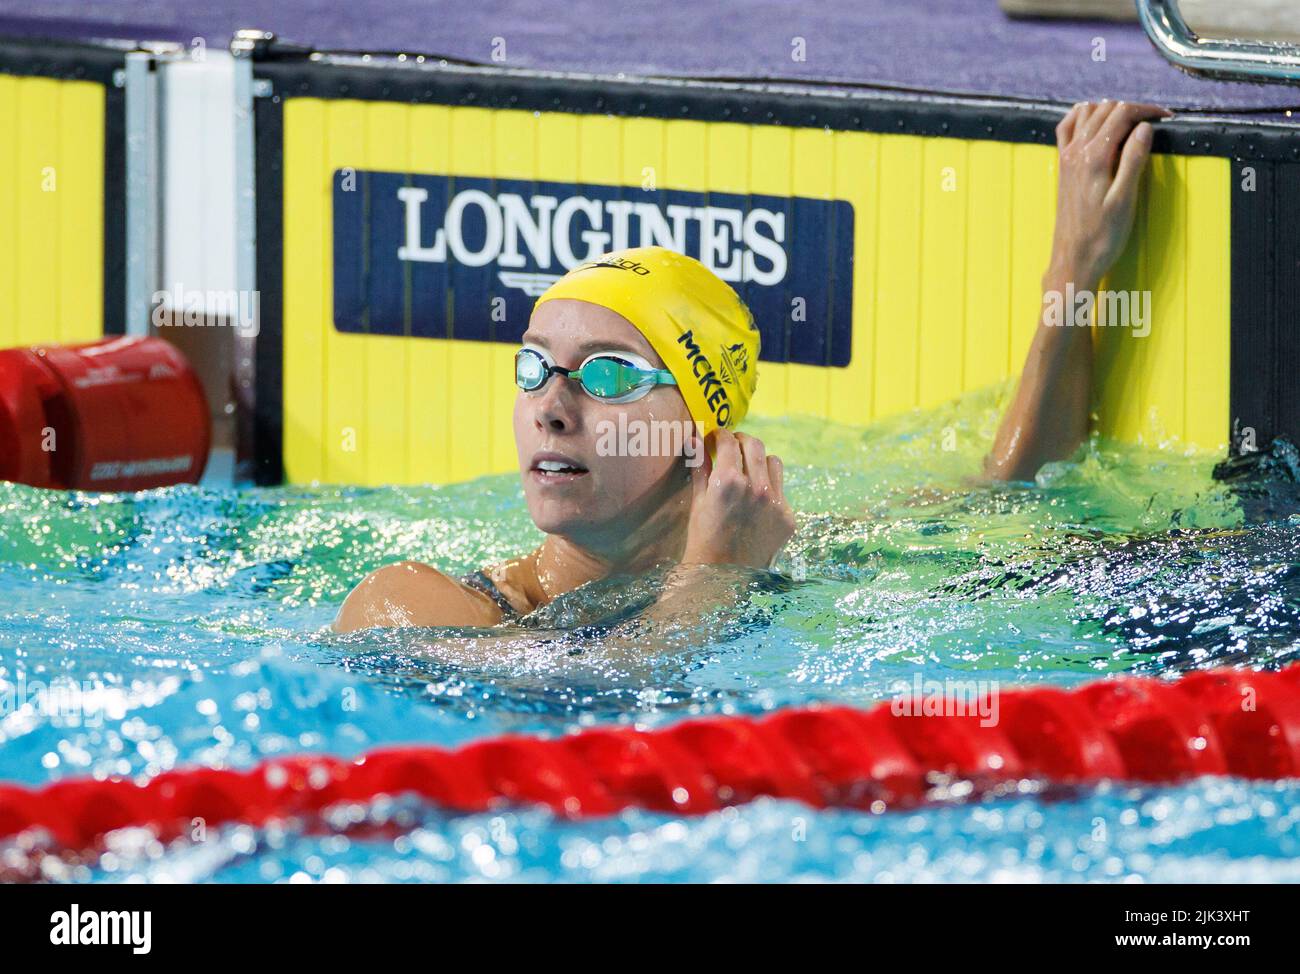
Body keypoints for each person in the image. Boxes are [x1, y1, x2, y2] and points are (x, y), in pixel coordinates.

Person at [333, 99, 1171, 634]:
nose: (553, 405)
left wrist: (1075, 271)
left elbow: (1017, 486)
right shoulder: (410, 607)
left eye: (609, 376)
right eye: (534, 368)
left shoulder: (774, 550)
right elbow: (599, 704)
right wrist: (716, 578)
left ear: (703, 432)